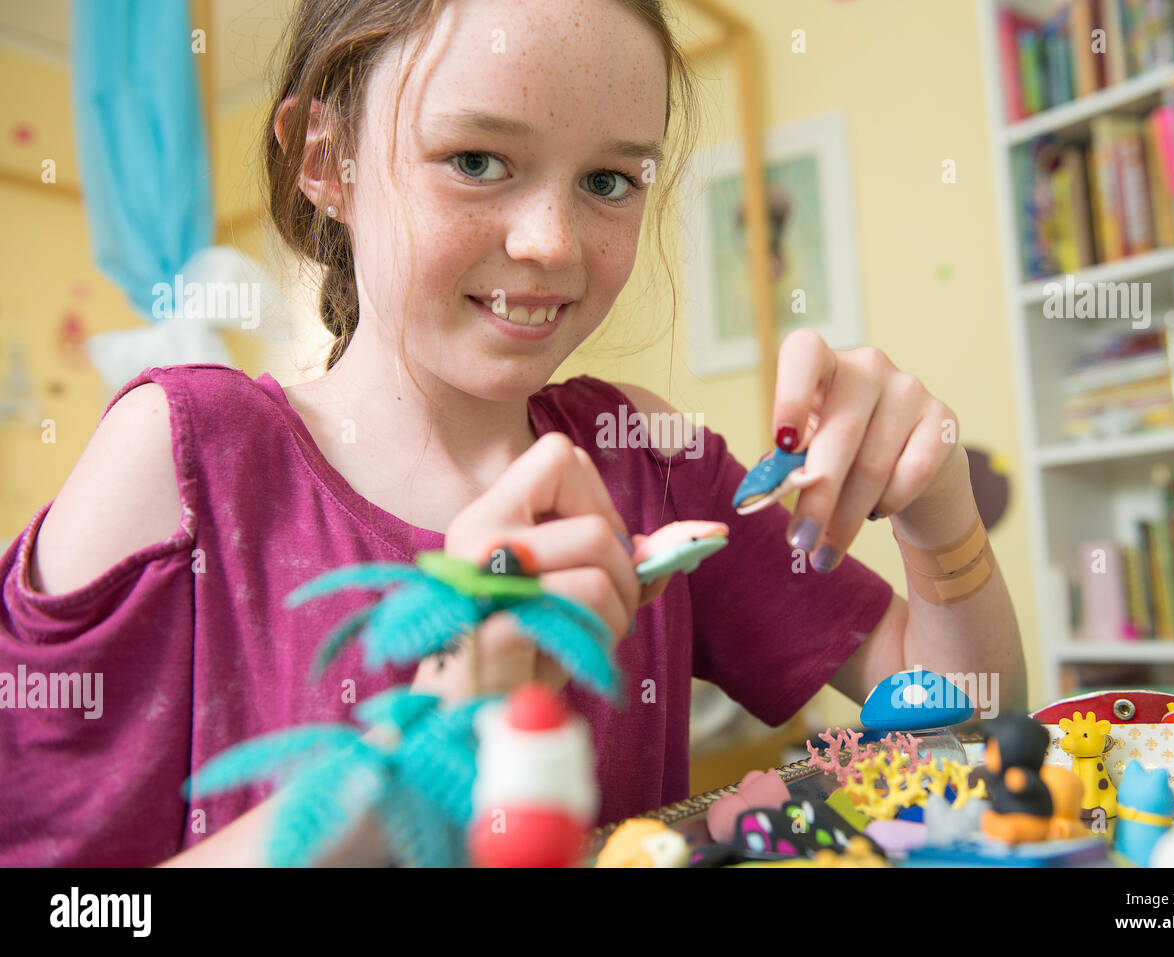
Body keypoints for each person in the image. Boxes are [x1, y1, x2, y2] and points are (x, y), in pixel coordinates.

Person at [0, 0, 1024, 866]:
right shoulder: (180, 461)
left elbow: (964, 733)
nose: (550, 244)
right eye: (478, 159)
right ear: (326, 160)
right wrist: (420, 754)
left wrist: (940, 522)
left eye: (609, 181)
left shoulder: (647, 461)